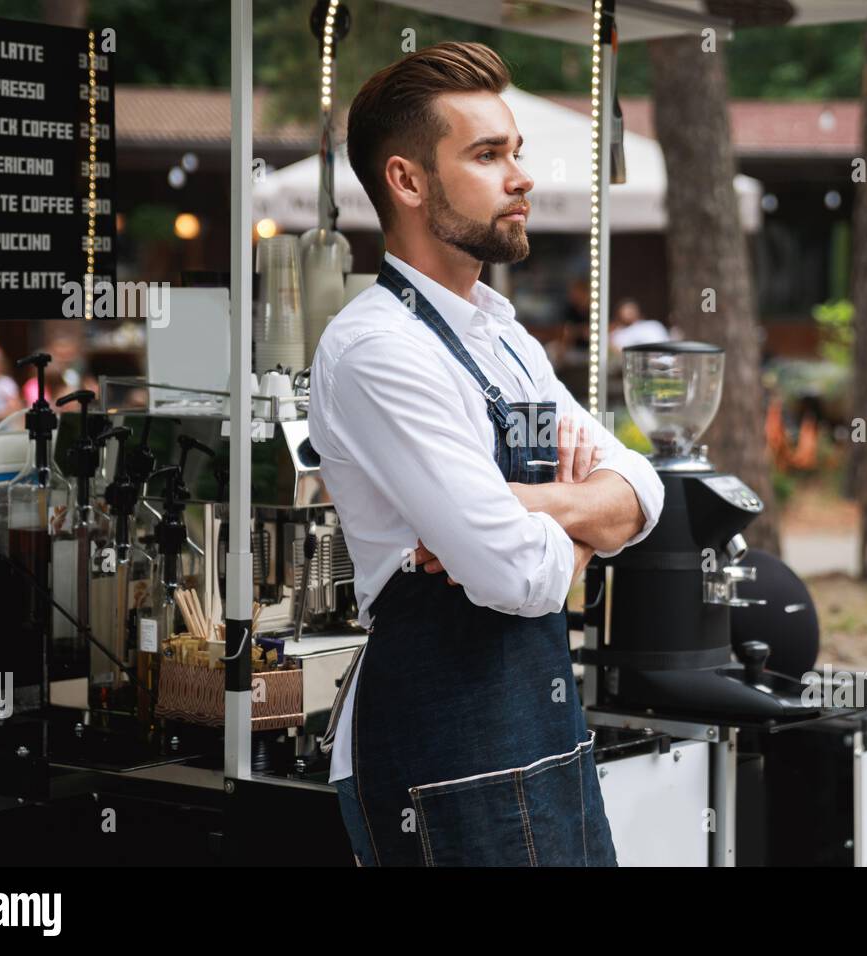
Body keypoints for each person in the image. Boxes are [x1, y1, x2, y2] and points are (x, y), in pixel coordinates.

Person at [309, 41, 664, 867]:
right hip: (442, 759)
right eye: (488, 154)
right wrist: (579, 520)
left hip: (548, 733)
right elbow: (521, 578)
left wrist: (525, 505)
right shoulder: (377, 350)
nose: (522, 177)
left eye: (517, 152)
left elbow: (643, 494)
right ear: (406, 181)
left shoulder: (506, 339)